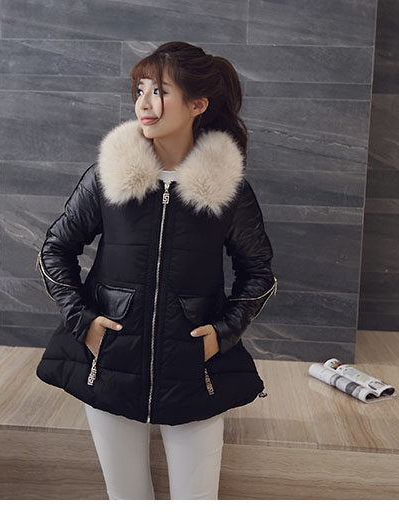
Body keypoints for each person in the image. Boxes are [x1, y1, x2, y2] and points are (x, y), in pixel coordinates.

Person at [35, 41, 278, 500]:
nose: (144, 103)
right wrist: (84, 323)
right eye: (140, 89)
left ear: (197, 105)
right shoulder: (108, 175)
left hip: (193, 373)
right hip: (110, 366)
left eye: (160, 91)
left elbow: (259, 273)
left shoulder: (226, 188)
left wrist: (222, 334)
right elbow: (55, 251)